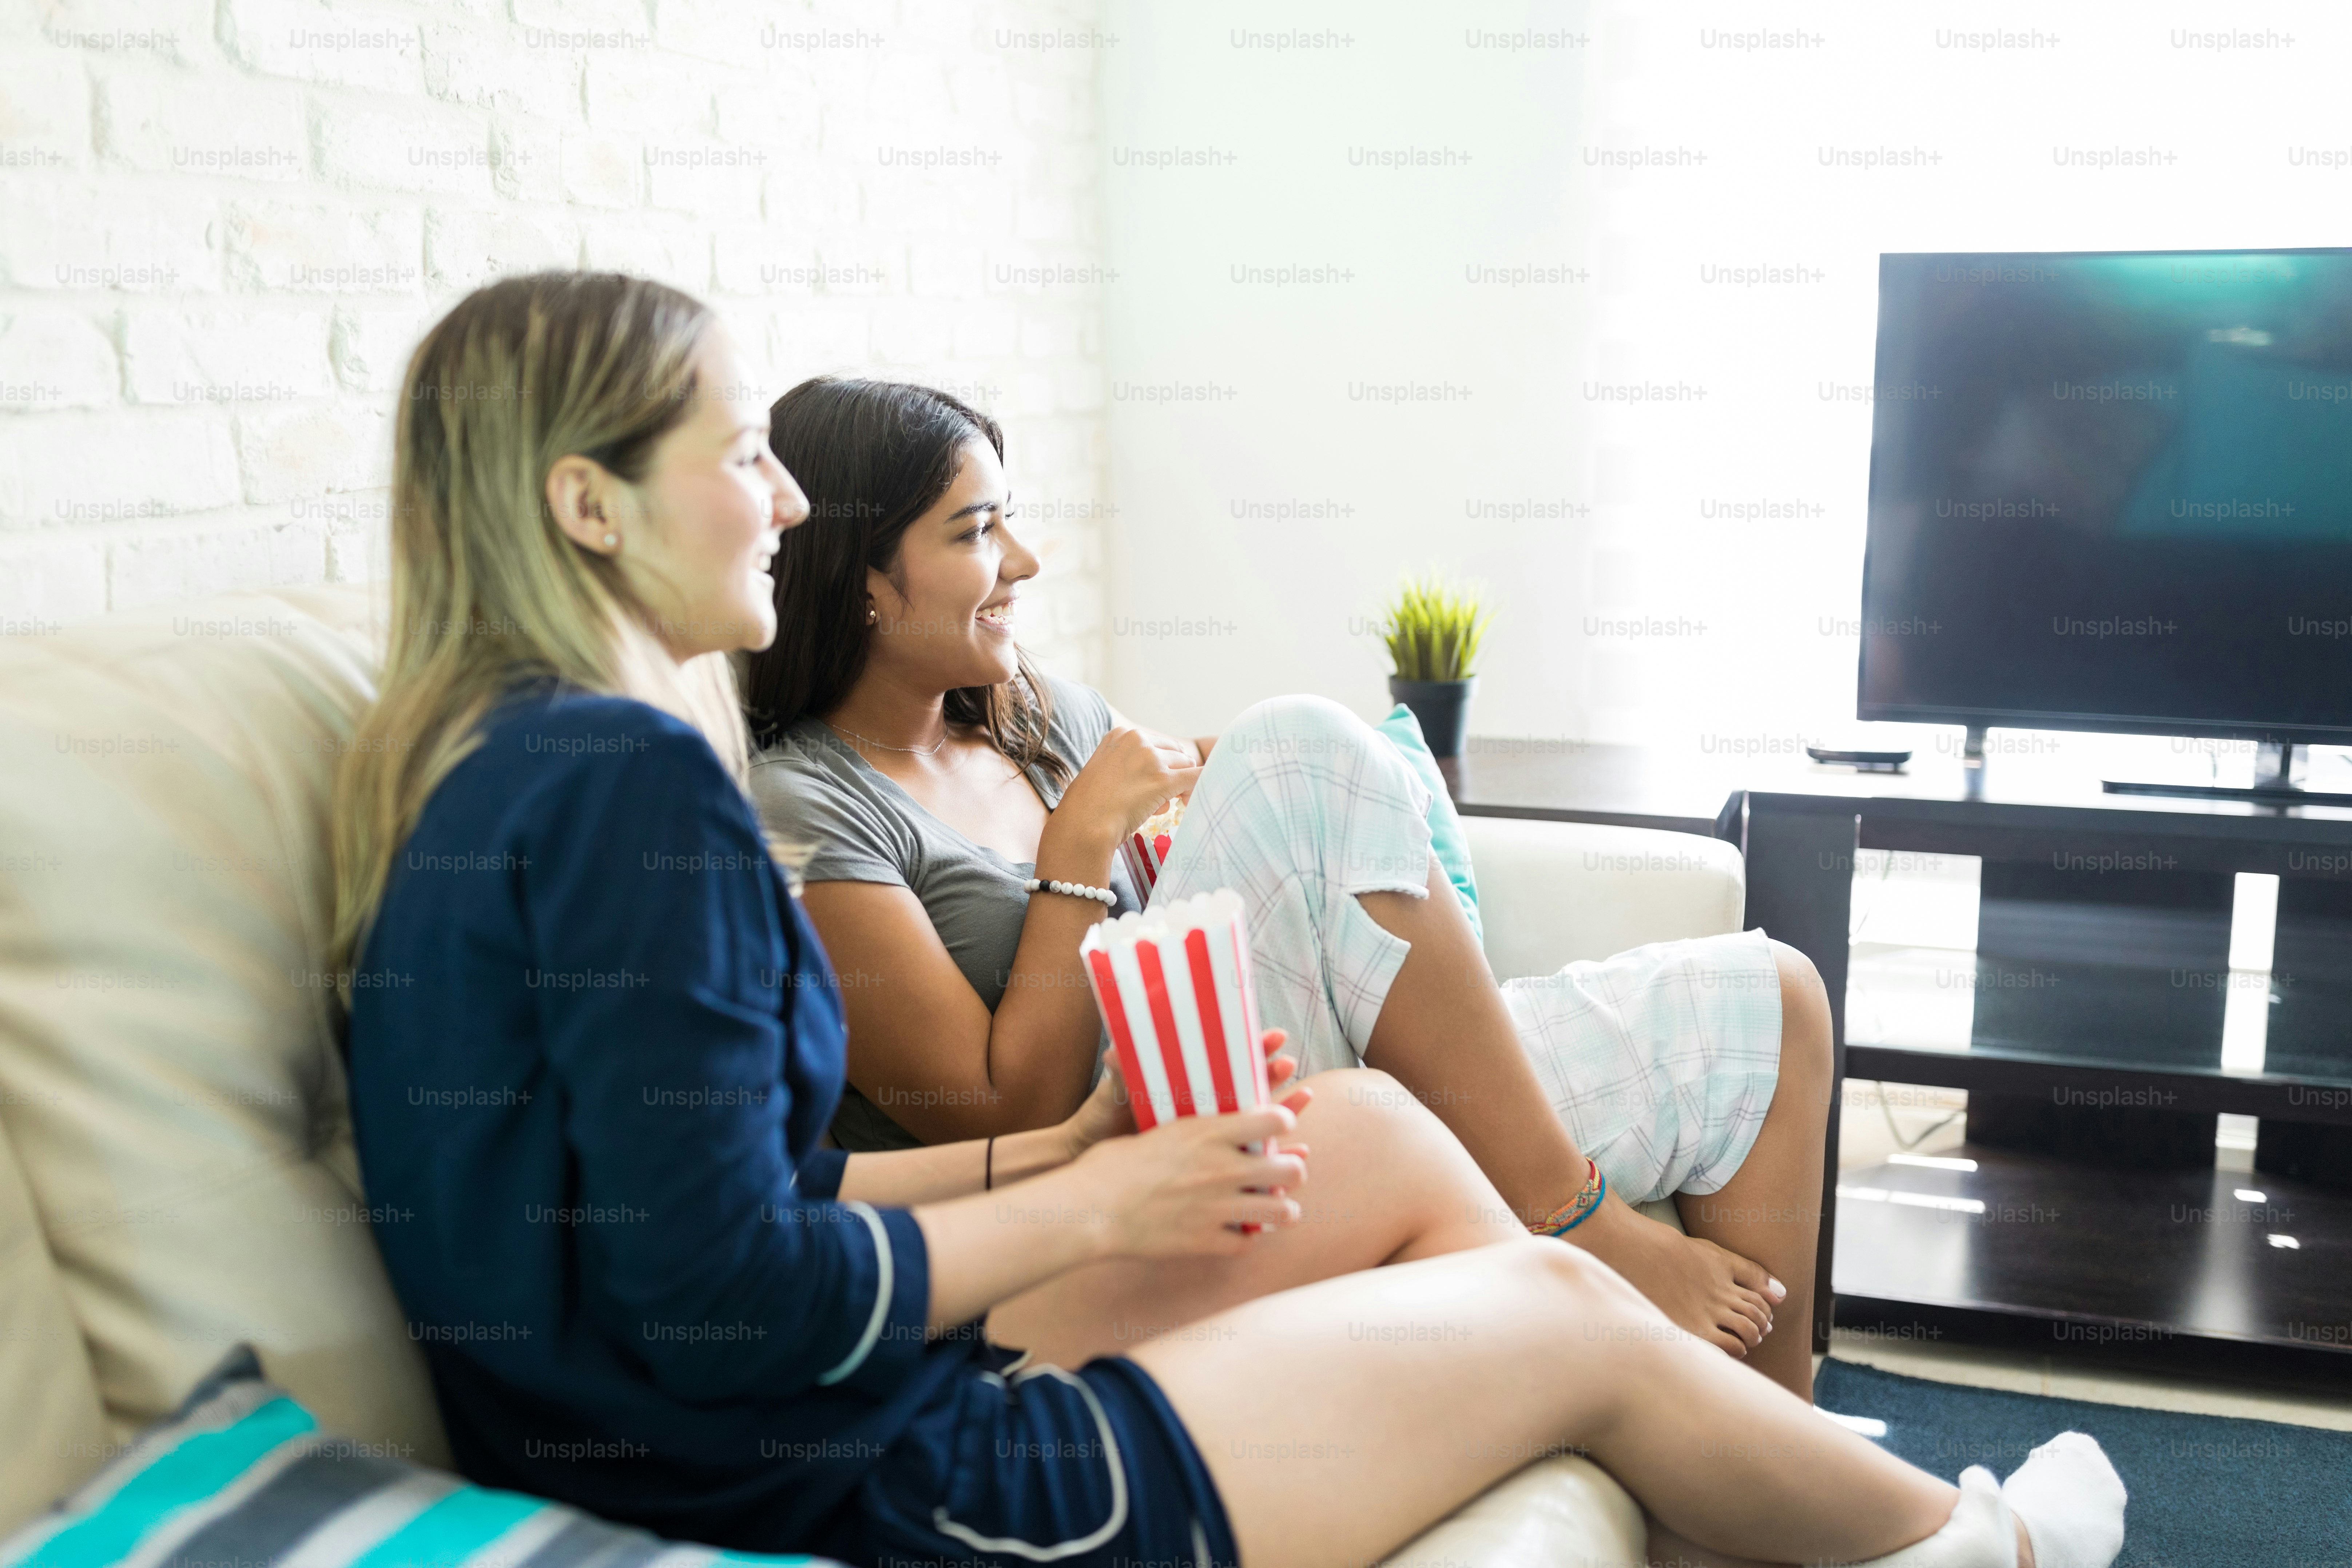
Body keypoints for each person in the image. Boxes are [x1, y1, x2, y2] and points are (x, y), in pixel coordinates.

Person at [335, 271, 2125, 1568]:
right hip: (855, 1479)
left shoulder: (493, 768)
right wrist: (1100, 1195)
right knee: (1562, 1309)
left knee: (1362, 1122)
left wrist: (1087, 1143)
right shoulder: (643, 795)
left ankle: (1755, 1499)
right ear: (586, 504)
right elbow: (730, 1299)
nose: (786, 501)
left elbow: (711, 1218)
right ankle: (1977, 1559)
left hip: (733, 1424)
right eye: (743, 455)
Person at [744, 377, 1829, 1396]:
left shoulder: (1034, 718)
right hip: (1100, 1188)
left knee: (1769, 1002)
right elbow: (993, 1120)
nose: (1024, 561)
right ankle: (1572, 1215)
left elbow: (1281, 810)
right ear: (867, 583)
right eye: (978, 531)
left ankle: (1758, 1540)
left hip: (1263, 1073)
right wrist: (1075, 856)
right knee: (1297, 746)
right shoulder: (808, 810)